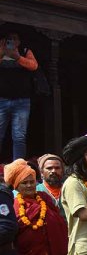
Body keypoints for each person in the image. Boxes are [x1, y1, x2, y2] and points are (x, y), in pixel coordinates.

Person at [0, 32, 38, 160]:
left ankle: (19, 166)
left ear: (19, 42)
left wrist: (17, 57)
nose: (11, 41)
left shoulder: (24, 50)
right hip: (2, 100)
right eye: (8, 39)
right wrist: (2, 53)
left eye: (14, 39)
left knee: (19, 136)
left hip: (22, 101)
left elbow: (34, 66)